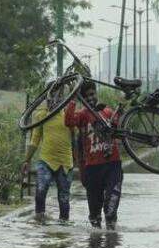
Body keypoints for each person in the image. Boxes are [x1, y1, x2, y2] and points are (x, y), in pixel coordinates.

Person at [65, 82, 123, 230]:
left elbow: (118, 129)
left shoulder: (107, 112)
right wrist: (73, 98)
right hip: (92, 168)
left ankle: (111, 238)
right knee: (95, 216)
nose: (90, 98)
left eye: (92, 94)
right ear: (83, 99)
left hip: (112, 165)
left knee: (110, 208)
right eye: (86, 96)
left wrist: (120, 114)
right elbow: (68, 121)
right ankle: (95, 245)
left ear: (96, 94)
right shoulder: (82, 114)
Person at [22, 84, 76, 221]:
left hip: (65, 163)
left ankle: (63, 226)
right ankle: (40, 221)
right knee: (40, 191)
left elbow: (76, 138)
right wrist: (26, 160)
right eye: (53, 93)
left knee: (63, 198)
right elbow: (35, 140)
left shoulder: (68, 114)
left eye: (59, 94)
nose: (55, 97)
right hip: (46, 161)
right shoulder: (41, 115)